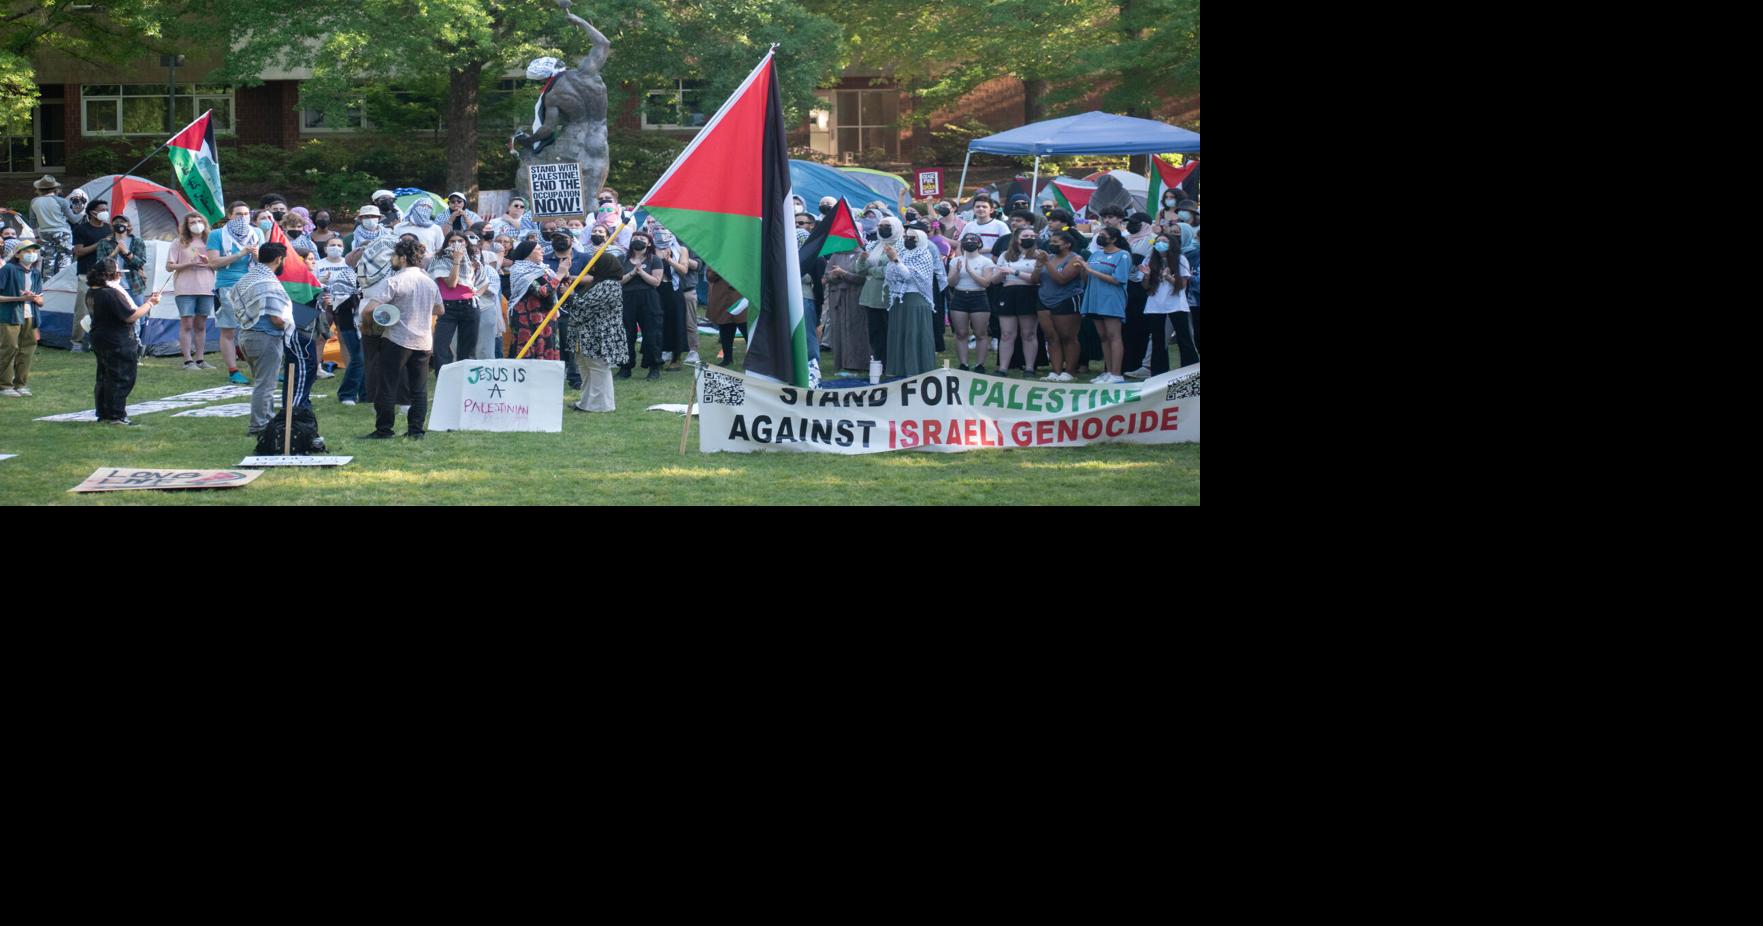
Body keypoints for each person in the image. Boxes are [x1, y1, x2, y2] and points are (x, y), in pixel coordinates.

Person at [359, 238, 442, 439]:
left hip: (397, 338)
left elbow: (369, 308)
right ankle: (416, 431)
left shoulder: (394, 280)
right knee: (419, 389)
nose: (393, 259)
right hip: (423, 340)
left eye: (394, 256)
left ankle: (384, 430)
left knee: (387, 385)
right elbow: (440, 309)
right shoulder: (429, 282)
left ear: (403, 258)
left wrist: (370, 322)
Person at [233, 242, 299, 437]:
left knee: (262, 382)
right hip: (265, 337)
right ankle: (259, 426)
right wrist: (293, 324)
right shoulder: (268, 282)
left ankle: (266, 421)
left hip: (247, 334)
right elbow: (277, 318)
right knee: (265, 384)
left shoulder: (249, 277)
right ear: (279, 259)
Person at [87, 259, 162, 424]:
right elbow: (130, 315)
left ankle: (104, 413)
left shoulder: (92, 291)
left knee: (104, 377)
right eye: (117, 272)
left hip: (100, 337)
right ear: (109, 275)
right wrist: (150, 303)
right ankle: (116, 415)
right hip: (117, 340)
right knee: (121, 377)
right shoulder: (110, 293)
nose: (120, 275)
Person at [207, 202, 262, 383]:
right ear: (230, 215)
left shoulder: (256, 233)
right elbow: (213, 263)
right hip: (228, 285)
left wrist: (255, 254)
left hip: (253, 284)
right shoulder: (216, 235)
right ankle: (233, 370)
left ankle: (261, 368)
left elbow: (265, 262)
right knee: (229, 329)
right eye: (238, 214)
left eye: (246, 214)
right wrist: (240, 254)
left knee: (258, 328)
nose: (243, 217)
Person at [567, 256, 628, 412]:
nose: (591, 267)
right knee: (585, 368)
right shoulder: (597, 283)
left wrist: (571, 295)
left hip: (598, 334)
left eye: (595, 264)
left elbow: (587, 306)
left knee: (598, 368)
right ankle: (586, 402)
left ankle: (602, 405)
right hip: (585, 334)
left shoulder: (610, 285)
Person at [882, 224, 943, 378]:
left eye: (911, 238)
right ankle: (899, 369)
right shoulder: (902, 252)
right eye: (905, 237)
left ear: (920, 239)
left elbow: (910, 276)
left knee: (914, 335)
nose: (907, 240)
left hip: (916, 299)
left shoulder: (924, 254)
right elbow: (890, 275)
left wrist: (895, 260)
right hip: (899, 298)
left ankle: (916, 369)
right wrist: (893, 260)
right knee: (899, 334)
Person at [312, 236, 364, 404]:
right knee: (359, 357)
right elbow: (342, 300)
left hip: (366, 322)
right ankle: (347, 394)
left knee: (362, 358)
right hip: (347, 319)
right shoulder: (348, 273)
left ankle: (365, 393)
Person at [1080, 226, 1131, 384]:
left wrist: (1091, 271)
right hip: (1094, 299)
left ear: (1114, 239)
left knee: (1113, 335)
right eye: (1099, 235)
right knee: (1103, 336)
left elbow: (1118, 279)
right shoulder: (1095, 254)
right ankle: (1108, 371)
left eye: (1103, 235)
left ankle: (1116, 374)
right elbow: (1086, 277)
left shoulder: (1122, 255)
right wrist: (1082, 268)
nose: (1099, 237)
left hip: (1111, 299)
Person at [430, 231, 487, 370]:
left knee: (467, 350)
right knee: (441, 348)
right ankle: (445, 381)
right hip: (448, 308)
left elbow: (484, 282)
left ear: (466, 243)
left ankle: (464, 385)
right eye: (452, 241)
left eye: (460, 241)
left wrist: (476, 295)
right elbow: (451, 283)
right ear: (446, 243)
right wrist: (456, 260)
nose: (457, 244)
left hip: (469, 306)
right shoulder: (439, 259)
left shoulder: (473, 260)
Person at [1138, 231, 1194, 373]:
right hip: (1155, 306)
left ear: (1171, 244)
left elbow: (1183, 285)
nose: (1160, 244)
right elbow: (1146, 287)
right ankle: (1159, 372)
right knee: (1158, 341)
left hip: (1176, 305)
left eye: (1164, 241)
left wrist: (1169, 277)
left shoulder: (1180, 259)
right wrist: (1146, 276)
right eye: (1157, 242)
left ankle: (1190, 371)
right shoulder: (1149, 259)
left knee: (1184, 339)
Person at [167, 212, 216, 370]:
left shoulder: (211, 241)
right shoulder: (179, 242)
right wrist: (188, 264)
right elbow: (169, 266)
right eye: (192, 222)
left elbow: (219, 264)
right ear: (186, 226)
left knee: (201, 325)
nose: (196, 224)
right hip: (185, 288)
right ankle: (188, 360)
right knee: (187, 324)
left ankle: (200, 359)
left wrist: (208, 262)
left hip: (207, 288)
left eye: (199, 221)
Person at [1036, 229, 1087, 383]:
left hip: (1066, 300)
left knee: (1067, 337)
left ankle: (1070, 371)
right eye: (1051, 242)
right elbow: (1034, 279)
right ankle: (1055, 370)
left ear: (1067, 244)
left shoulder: (1075, 259)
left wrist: (1046, 263)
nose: (1051, 245)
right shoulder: (1049, 257)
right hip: (1044, 300)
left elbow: (1062, 279)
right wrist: (1039, 266)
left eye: (1055, 242)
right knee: (1051, 337)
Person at [95, 213, 149, 351]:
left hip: (134, 284)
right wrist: (114, 252)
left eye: (123, 222)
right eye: (116, 222)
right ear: (112, 226)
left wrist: (126, 252)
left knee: (139, 316)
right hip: (113, 286)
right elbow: (100, 264)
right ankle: (121, 345)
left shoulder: (137, 242)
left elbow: (140, 262)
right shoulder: (104, 242)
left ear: (128, 226)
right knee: (117, 316)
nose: (120, 225)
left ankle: (138, 346)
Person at [947, 231, 998, 372]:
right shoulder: (955, 261)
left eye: (973, 240)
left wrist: (970, 271)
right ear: (962, 244)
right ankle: (963, 363)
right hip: (959, 296)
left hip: (979, 297)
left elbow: (986, 283)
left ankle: (979, 364)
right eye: (966, 240)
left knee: (980, 333)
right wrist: (957, 272)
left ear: (979, 244)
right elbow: (951, 283)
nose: (970, 242)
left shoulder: (986, 261)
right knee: (961, 333)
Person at [70, 197, 116, 352]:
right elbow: (78, 251)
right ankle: (77, 342)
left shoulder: (109, 228)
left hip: (105, 276)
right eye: (102, 210)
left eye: (106, 210)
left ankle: (98, 341)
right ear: (92, 212)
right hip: (86, 273)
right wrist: (100, 243)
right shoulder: (81, 229)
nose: (105, 213)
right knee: (82, 310)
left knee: (103, 309)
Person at [0, 240, 45, 397]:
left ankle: (21, 384)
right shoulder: (8, 269)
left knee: (27, 350)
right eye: (27, 251)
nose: (32, 253)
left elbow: (41, 300)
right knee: (9, 348)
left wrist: (35, 299)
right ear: (18, 254)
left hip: (30, 316)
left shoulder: (36, 273)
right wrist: (18, 299)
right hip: (9, 315)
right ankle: (5, 385)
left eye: (34, 250)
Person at [505, 239, 561, 362]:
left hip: (546, 316)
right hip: (527, 317)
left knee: (546, 347)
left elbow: (552, 290)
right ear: (528, 253)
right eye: (538, 249)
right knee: (528, 349)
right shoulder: (520, 270)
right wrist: (560, 275)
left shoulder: (545, 270)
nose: (542, 251)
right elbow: (542, 292)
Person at [619, 230, 664, 379]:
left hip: (649, 298)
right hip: (627, 298)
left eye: (642, 238)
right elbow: (618, 281)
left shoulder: (654, 259)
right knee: (626, 333)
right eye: (635, 237)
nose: (638, 240)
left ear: (649, 243)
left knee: (652, 333)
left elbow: (656, 282)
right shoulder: (622, 259)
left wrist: (641, 272)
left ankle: (654, 367)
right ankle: (625, 367)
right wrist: (633, 272)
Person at [996, 231, 1042, 377]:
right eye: (1025, 237)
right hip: (1008, 292)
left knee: (1028, 333)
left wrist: (1014, 272)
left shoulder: (1039, 255)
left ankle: (1029, 368)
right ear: (1016, 239)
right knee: (1007, 334)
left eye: (1032, 237)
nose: (1029, 239)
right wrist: (1000, 273)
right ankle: (1003, 368)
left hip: (1028, 293)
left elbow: (1037, 278)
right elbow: (994, 281)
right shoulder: (1005, 255)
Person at [819, 240, 869, 376]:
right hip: (837, 297)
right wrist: (834, 275)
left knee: (854, 329)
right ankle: (842, 363)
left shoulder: (862, 255)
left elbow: (862, 278)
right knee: (839, 328)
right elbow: (826, 277)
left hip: (854, 297)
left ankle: (857, 363)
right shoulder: (836, 255)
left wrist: (843, 274)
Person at [856, 215, 899, 367]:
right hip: (870, 296)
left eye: (887, 226)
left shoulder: (900, 245)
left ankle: (892, 362)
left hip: (888, 296)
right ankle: (879, 362)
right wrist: (862, 260)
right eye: (880, 226)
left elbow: (892, 270)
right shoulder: (875, 245)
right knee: (875, 332)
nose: (882, 229)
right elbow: (859, 271)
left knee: (889, 332)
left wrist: (872, 270)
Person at [655, 224, 697, 369]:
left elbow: (684, 270)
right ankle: (657, 356)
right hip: (656, 290)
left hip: (674, 289)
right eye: (657, 229)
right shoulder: (651, 248)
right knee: (657, 323)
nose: (661, 232)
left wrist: (670, 260)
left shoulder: (681, 249)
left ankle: (676, 358)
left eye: (664, 229)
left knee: (677, 322)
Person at [27, 176, 72, 281]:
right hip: (63, 233)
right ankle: (62, 286)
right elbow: (74, 219)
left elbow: (32, 221)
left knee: (48, 262)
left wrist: (36, 236)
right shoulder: (61, 201)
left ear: (39, 189)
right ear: (54, 188)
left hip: (44, 234)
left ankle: (47, 286)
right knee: (64, 261)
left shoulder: (34, 201)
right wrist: (82, 211)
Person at [704, 267, 746, 367]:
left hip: (740, 298)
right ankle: (727, 359)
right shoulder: (716, 259)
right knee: (725, 328)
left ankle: (757, 360)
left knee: (746, 328)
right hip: (722, 299)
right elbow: (710, 276)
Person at [474, 239, 506, 360]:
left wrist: (474, 288)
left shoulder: (489, 270)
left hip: (485, 310)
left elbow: (491, 290)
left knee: (485, 348)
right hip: (461, 311)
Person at [393, 198, 445, 263]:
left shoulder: (436, 229)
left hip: (427, 266)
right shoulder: (399, 227)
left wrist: (429, 256)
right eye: (422, 206)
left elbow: (440, 249)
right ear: (414, 208)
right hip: (404, 264)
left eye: (429, 207)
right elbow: (393, 247)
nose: (425, 209)